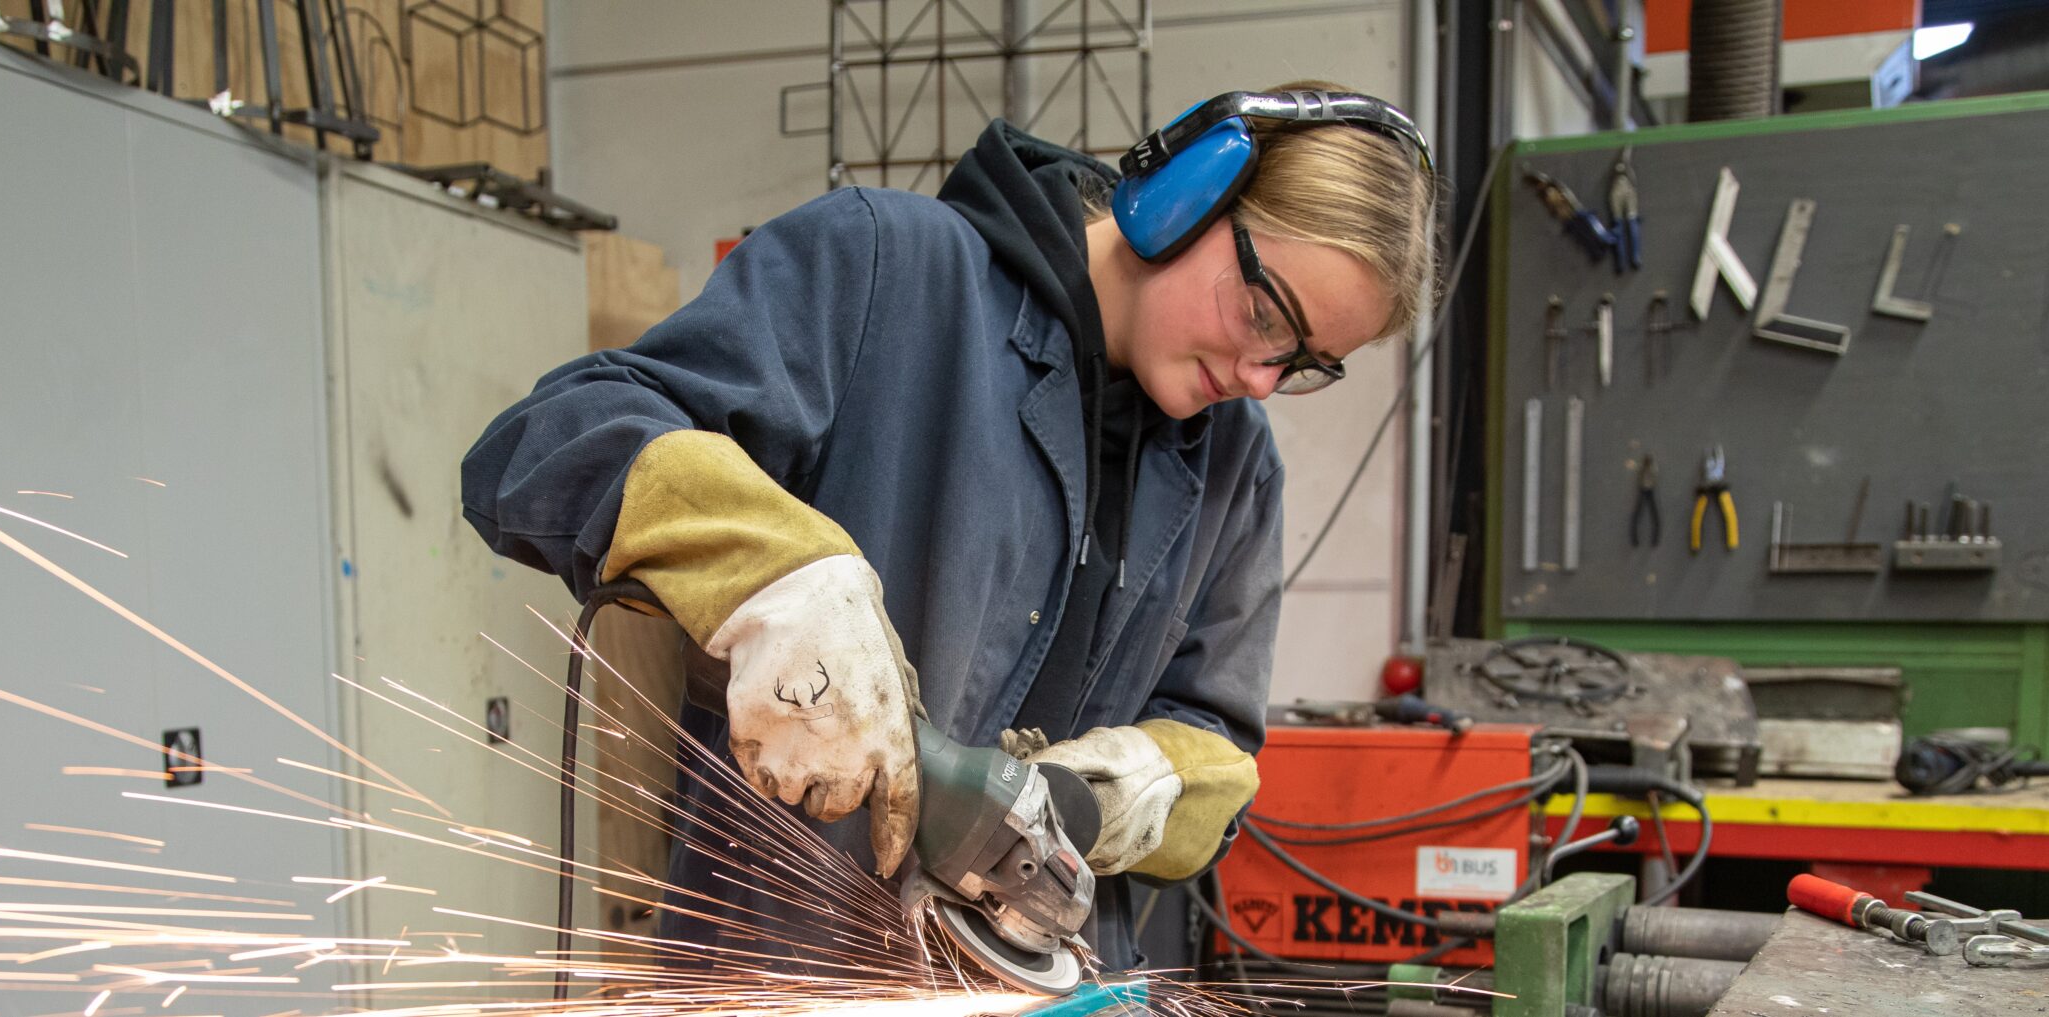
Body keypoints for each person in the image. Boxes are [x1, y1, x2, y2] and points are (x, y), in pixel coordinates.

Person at [460, 81, 1437, 973]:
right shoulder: (881, 270)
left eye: (1304, 362)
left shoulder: (1236, 466)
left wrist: (1139, 783)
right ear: (1184, 196)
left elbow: (1216, 741)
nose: (1261, 378)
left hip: (1041, 981)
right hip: (785, 972)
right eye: (1265, 315)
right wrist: (768, 573)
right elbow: (552, 438)